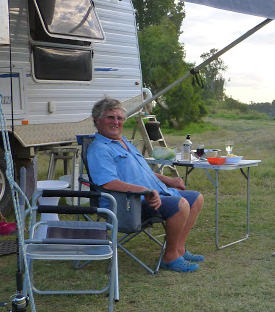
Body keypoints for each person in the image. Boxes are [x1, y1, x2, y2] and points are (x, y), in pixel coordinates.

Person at [87, 98, 205, 273]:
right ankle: (170, 257)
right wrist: (145, 191)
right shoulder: (100, 149)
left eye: (119, 118)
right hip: (128, 204)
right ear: (97, 120)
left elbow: (142, 171)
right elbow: (108, 182)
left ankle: (179, 249)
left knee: (196, 198)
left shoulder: (124, 142)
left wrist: (169, 181)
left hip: (152, 194)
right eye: (110, 117)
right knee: (180, 205)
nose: (116, 122)